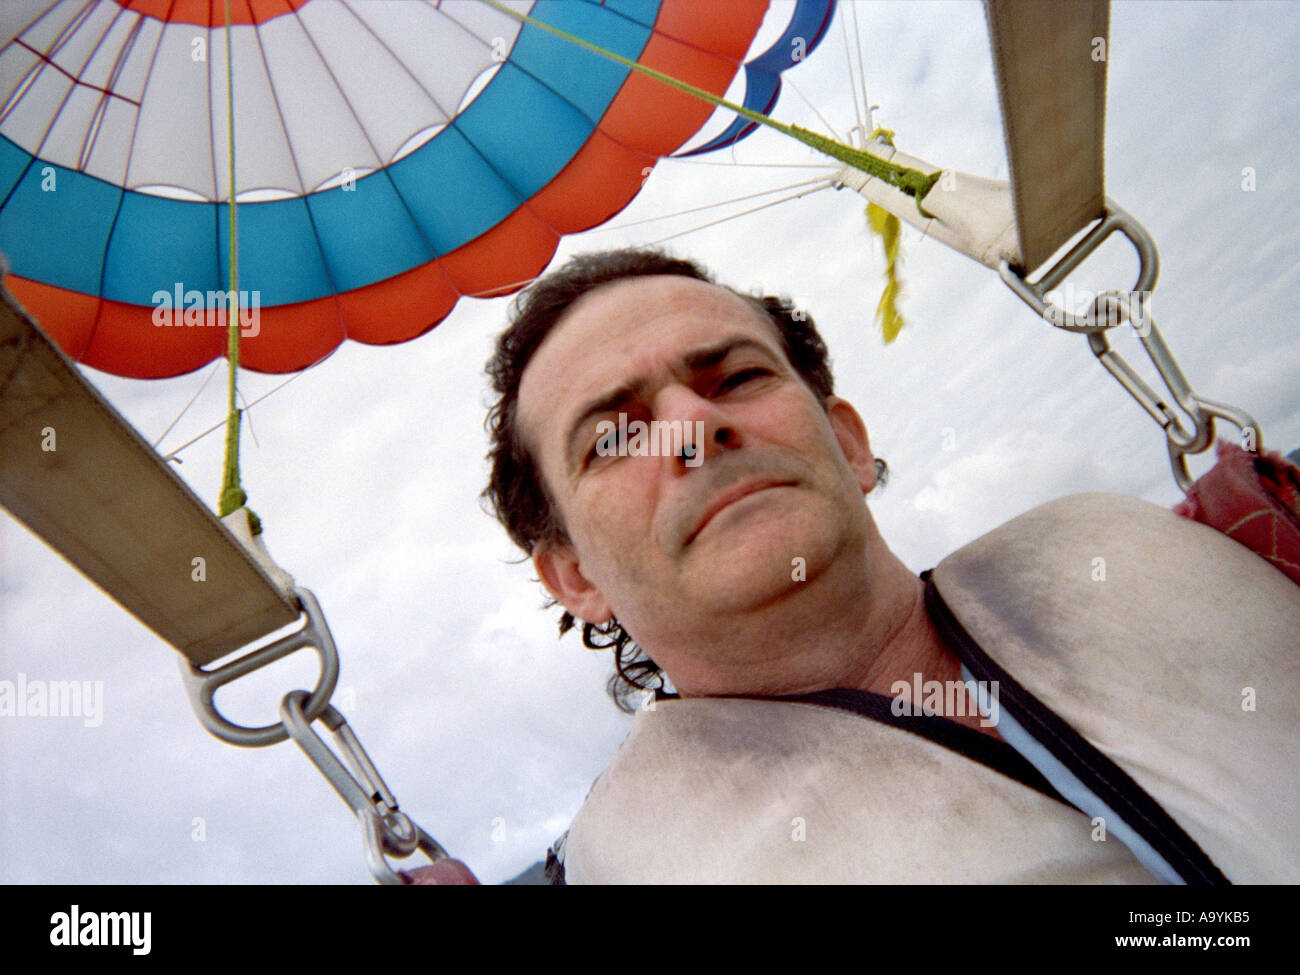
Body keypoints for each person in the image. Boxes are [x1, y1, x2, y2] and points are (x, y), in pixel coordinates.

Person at [410, 247, 1300, 885]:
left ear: (848, 441)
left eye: (738, 380)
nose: (696, 426)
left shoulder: (1249, 537)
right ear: (573, 576)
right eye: (615, 435)